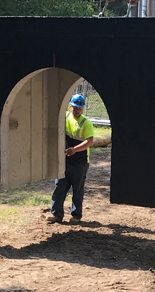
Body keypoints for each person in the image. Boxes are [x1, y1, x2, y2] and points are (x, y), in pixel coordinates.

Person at [47, 94, 95, 224]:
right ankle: (56, 214)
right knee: (59, 187)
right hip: (65, 160)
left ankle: (76, 215)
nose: (78, 110)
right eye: (75, 107)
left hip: (80, 163)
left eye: (80, 108)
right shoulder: (65, 118)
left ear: (83, 109)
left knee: (77, 189)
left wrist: (74, 150)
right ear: (70, 107)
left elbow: (89, 142)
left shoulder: (86, 123)